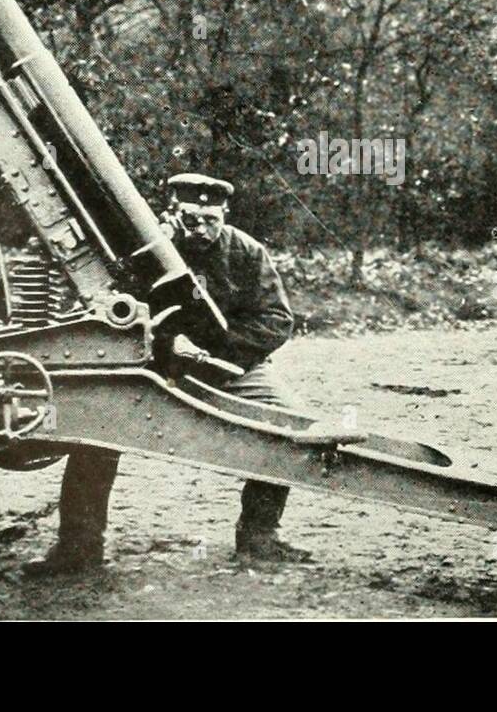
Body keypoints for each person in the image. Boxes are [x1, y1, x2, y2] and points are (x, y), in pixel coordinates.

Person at [25, 172, 308, 575]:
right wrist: (166, 343)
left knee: (288, 423)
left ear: (225, 212)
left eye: (212, 218)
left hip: (230, 368)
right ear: (173, 212)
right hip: (154, 366)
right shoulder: (144, 252)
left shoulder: (246, 251)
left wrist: (214, 350)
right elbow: (113, 312)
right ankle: (79, 547)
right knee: (97, 432)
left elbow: (277, 319)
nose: (203, 228)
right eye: (192, 218)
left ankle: (260, 536)